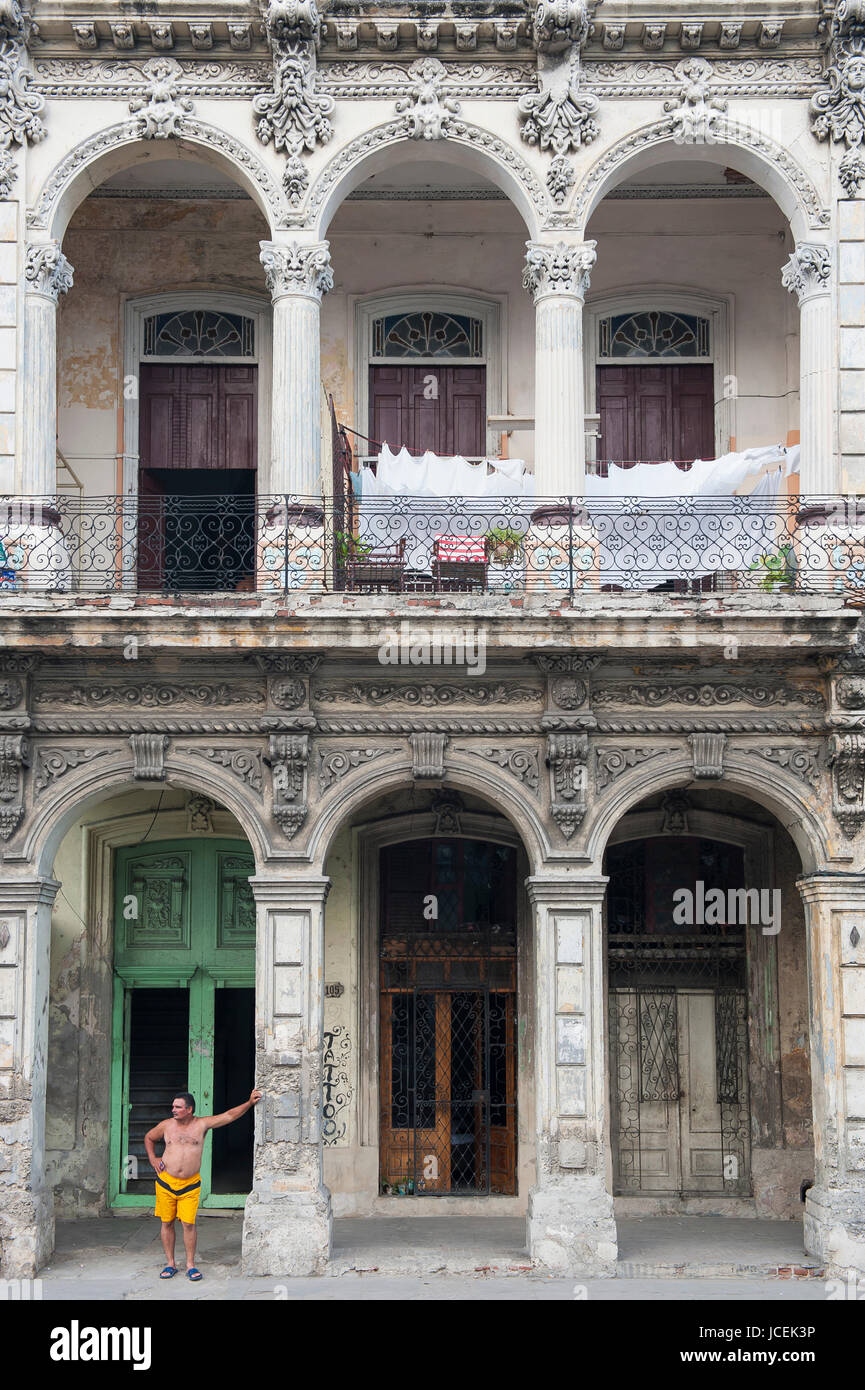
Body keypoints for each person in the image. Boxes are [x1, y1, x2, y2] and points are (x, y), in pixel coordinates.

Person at [144, 1088, 262, 1281]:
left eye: (178, 1107)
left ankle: (190, 1265)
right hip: (166, 1182)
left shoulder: (202, 1124)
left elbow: (229, 1116)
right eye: (173, 1106)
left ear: (189, 1109)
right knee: (167, 1222)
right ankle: (170, 1264)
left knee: (189, 1224)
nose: (173, 1109)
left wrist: (249, 1103)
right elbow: (149, 1137)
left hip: (190, 1184)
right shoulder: (166, 1125)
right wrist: (152, 1158)